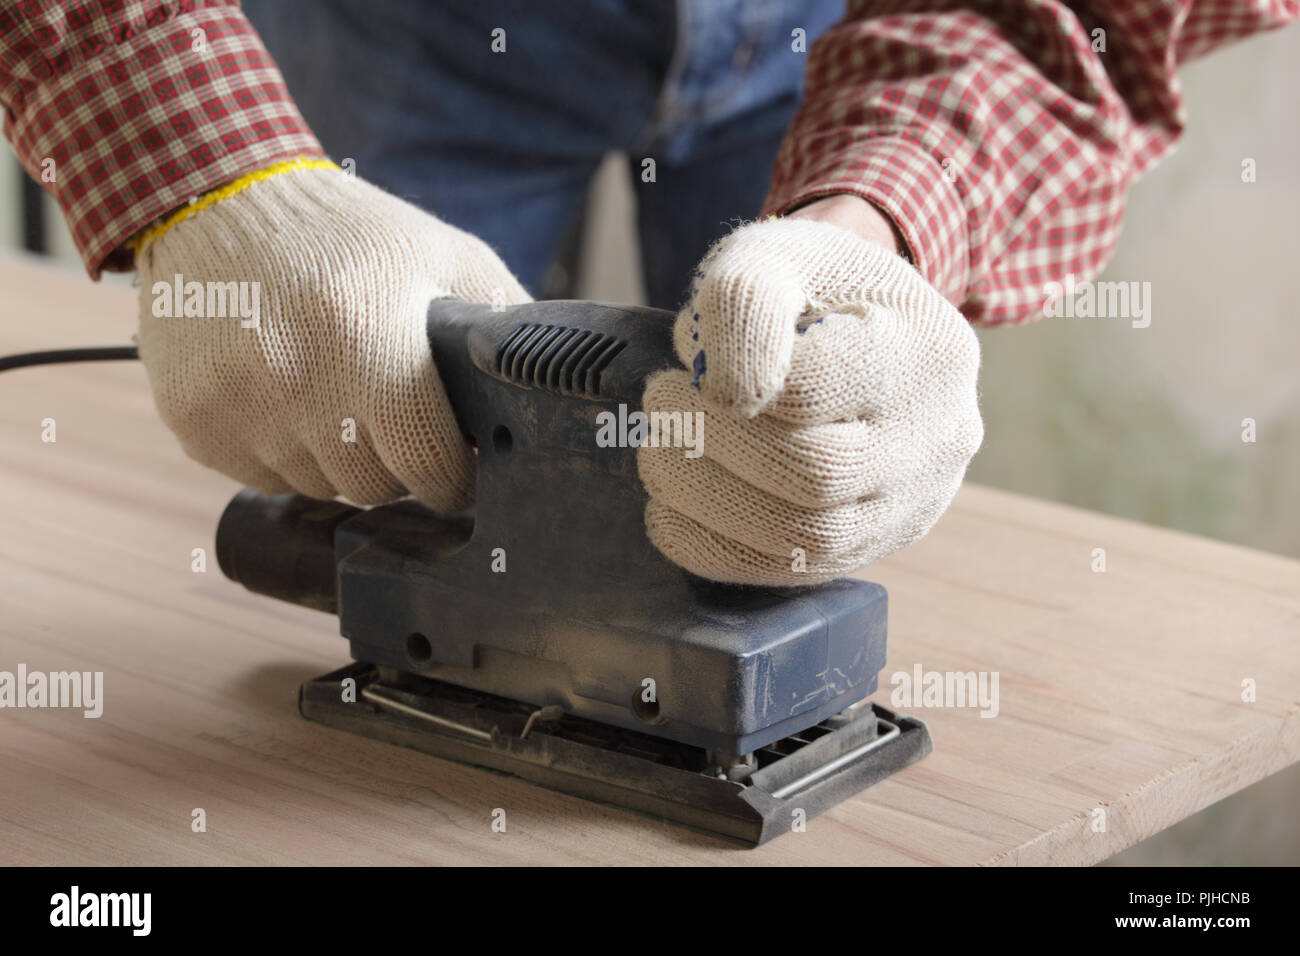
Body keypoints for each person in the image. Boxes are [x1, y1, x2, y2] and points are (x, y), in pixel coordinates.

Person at [3, 1, 1295, 587]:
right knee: (381, 430)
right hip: (419, 25)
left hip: (846, 23)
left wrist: (884, 227)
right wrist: (205, 162)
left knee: (767, 477)